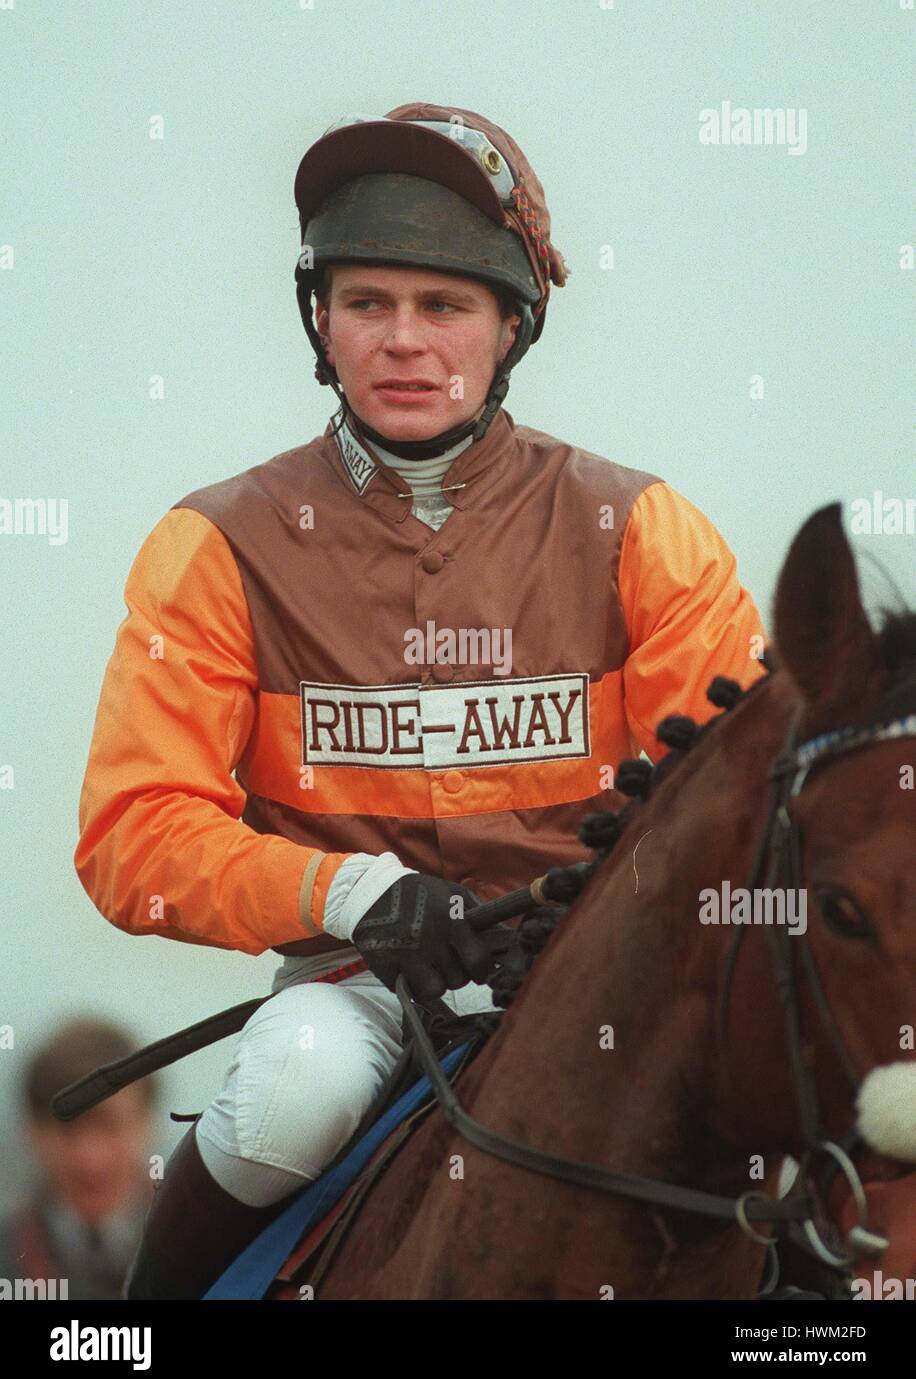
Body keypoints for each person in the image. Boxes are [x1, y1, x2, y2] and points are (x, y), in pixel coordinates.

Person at [74, 103, 766, 1298]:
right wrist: (346, 891)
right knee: (294, 1093)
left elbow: (736, 814)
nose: (404, 341)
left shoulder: (647, 532)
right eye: (366, 303)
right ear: (320, 323)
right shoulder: (210, 544)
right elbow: (132, 836)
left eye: (442, 306)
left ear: (511, 326)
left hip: (588, 984)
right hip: (357, 991)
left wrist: (596, 934)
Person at [0, 1019, 156, 1299]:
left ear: (147, 1123)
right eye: (68, 1130)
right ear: (32, 1131)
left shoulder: (205, 1252)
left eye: (109, 1125)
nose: (89, 1158)